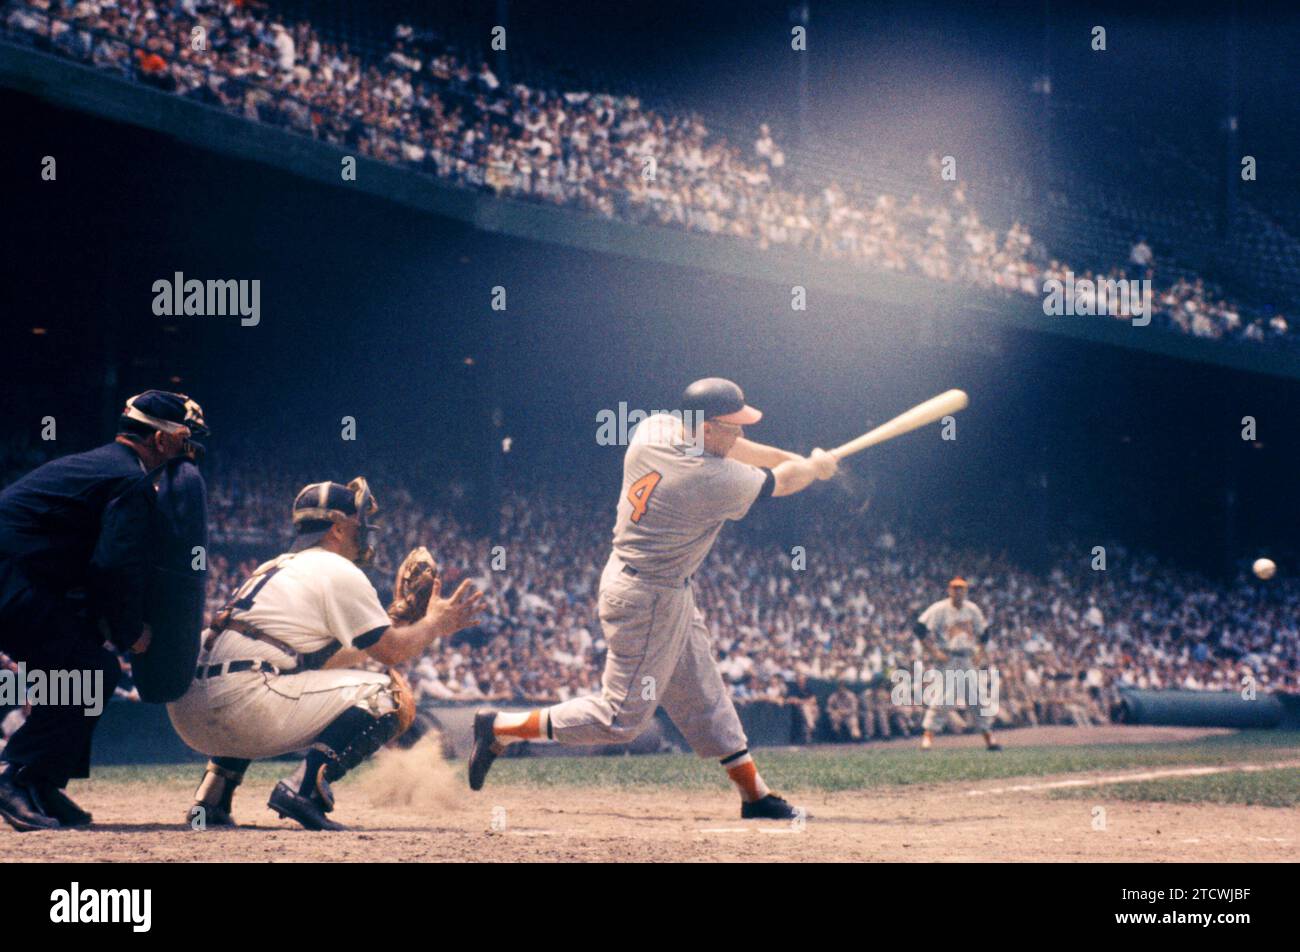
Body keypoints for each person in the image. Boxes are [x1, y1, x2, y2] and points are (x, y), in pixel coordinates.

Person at [466, 377, 837, 820]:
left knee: (705, 693)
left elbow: (742, 450)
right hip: (646, 597)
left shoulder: (656, 428)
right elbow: (782, 483)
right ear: (704, 427)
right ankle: (500, 727)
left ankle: (754, 795)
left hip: (658, 587)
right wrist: (813, 469)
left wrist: (803, 461)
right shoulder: (707, 478)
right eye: (732, 424)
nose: (740, 432)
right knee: (620, 718)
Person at [168, 478, 484, 831]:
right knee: (389, 693)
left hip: (188, 708)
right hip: (240, 705)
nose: (364, 531)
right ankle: (303, 791)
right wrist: (434, 625)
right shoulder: (338, 569)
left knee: (272, 676)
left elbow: (322, 663)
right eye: (357, 523)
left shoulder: (275, 567)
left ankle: (211, 798)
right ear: (336, 528)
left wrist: (398, 621)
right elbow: (391, 653)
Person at [0, 390, 208, 831]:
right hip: (11, 580)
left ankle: (38, 780)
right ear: (159, 439)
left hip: (20, 578)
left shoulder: (107, 466)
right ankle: (17, 774)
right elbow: (114, 563)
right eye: (184, 438)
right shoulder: (129, 479)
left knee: (86, 666)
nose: (189, 450)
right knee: (91, 669)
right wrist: (129, 629)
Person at [915, 577, 1001, 751]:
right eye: (955, 588)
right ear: (949, 590)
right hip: (948, 657)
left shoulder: (972, 609)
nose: (958, 591)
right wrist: (933, 652)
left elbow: (984, 633)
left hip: (967, 657)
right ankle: (927, 739)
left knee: (977, 698)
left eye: (961, 588)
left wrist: (980, 653)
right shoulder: (939, 609)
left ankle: (989, 738)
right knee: (942, 699)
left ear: (966, 591)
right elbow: (919, 629)